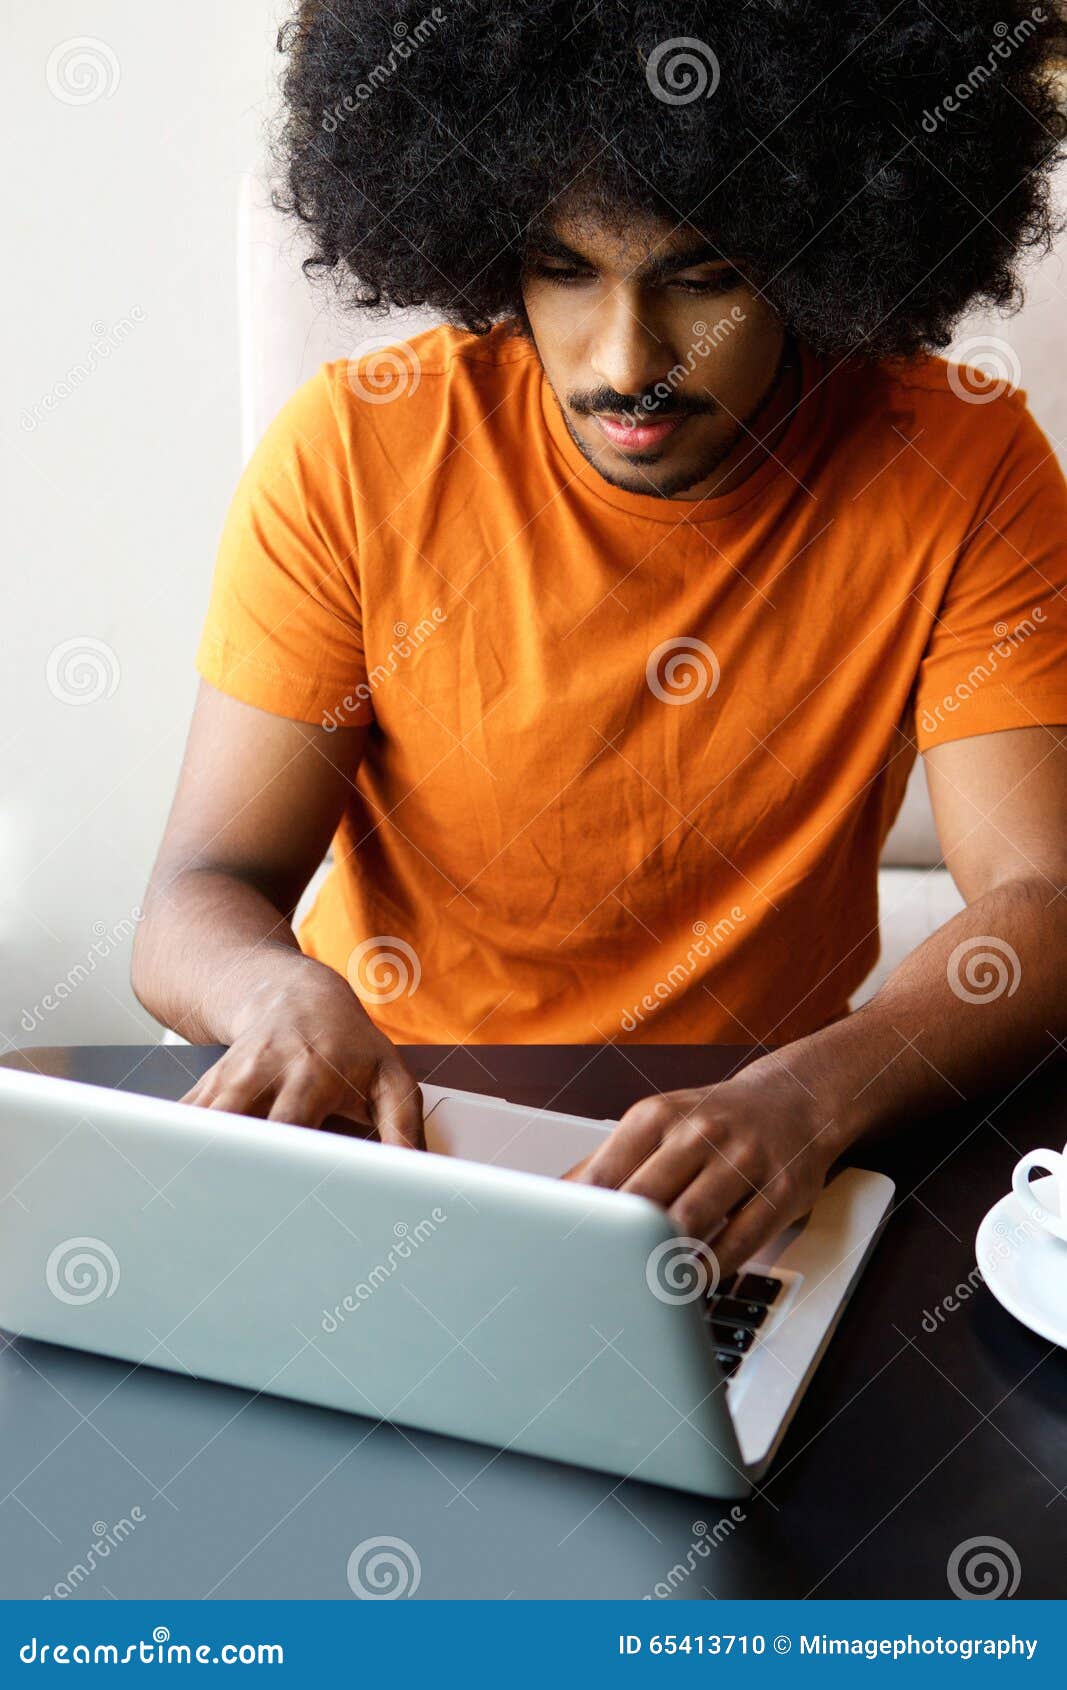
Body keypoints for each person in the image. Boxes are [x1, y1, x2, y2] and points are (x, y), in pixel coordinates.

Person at [132, 1, 1067, 1273]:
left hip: (763, 1143)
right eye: (566, 270)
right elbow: (199, 893)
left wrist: (810, 1097)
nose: (627, 361)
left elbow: (1043, 899)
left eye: (701, 277)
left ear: (814, 252)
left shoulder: (962, 460)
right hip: (408, 1128)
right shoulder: (356, 452)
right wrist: (274, 994)